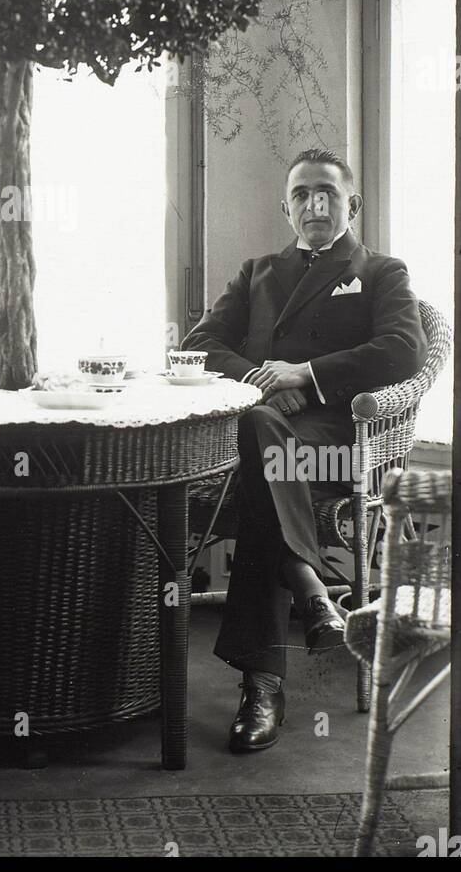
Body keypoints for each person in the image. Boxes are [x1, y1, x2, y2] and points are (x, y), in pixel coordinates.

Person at [182, 148, 427, 754]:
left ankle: (262, 686)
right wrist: (268, 377)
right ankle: (314, 598)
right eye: (301, 194)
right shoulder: (257, 271)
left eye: (326, 192)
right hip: (266, 431)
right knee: (264, 434)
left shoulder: (381, 271)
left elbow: (404, 350)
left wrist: (307, 376)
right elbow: (198, 345)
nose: (314, 203)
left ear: (352, 204)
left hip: (341, 444)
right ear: (286, 207)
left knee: (264, 452)